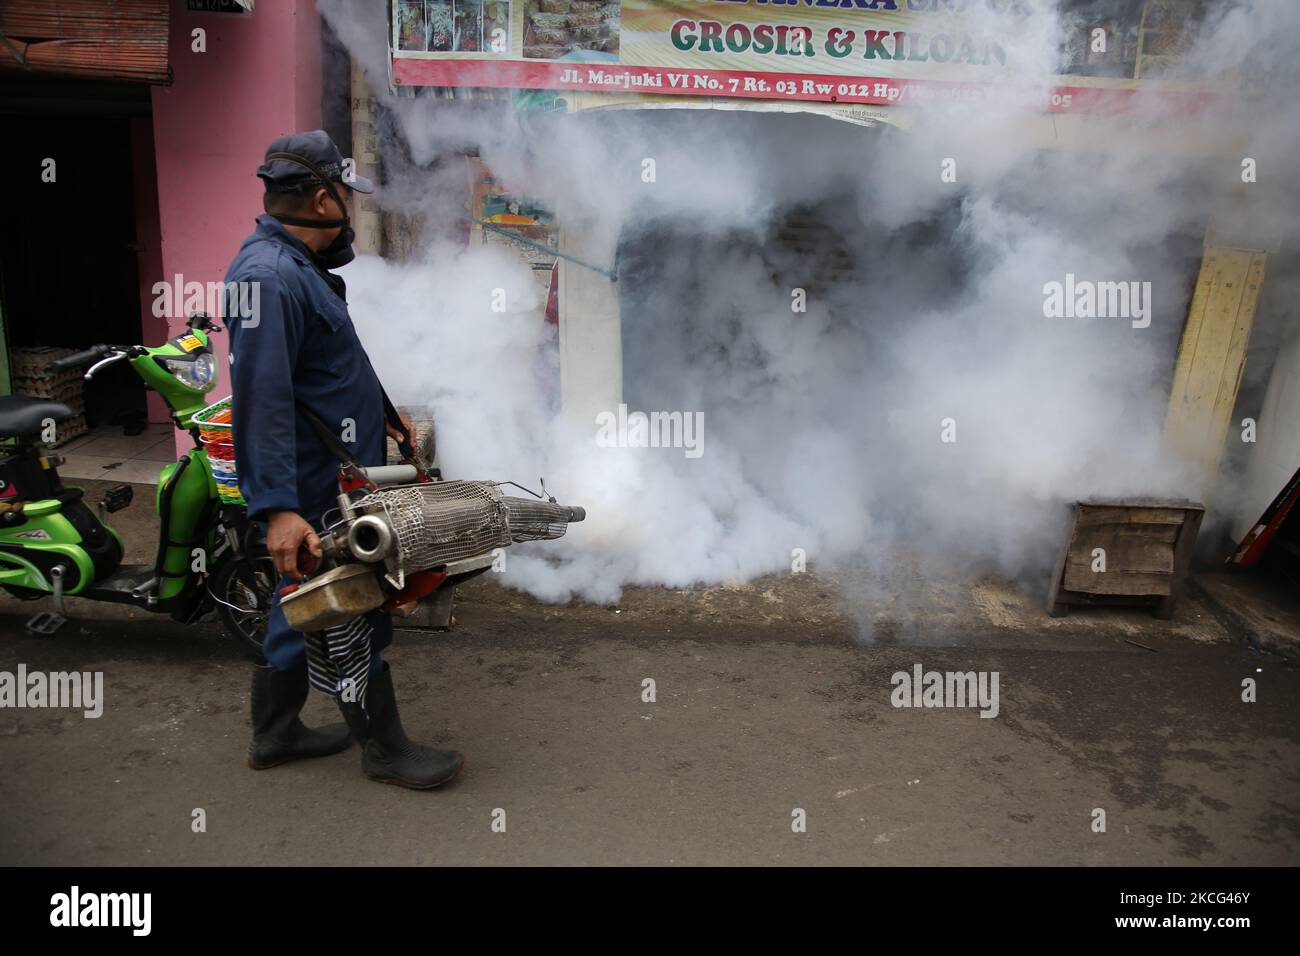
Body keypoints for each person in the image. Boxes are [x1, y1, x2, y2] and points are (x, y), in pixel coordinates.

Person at [223, 130, 463, 789]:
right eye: (345, 197)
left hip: (332, 473)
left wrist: (384, 410)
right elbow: (263, 400)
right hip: (310, 484)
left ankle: (274, 734)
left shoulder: (295, 269)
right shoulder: (268, 279)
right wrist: (276, 510)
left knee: (298, 602)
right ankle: (384, 751)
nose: (353, 211)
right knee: (352, 603)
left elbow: (331, 362)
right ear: (322, 200)